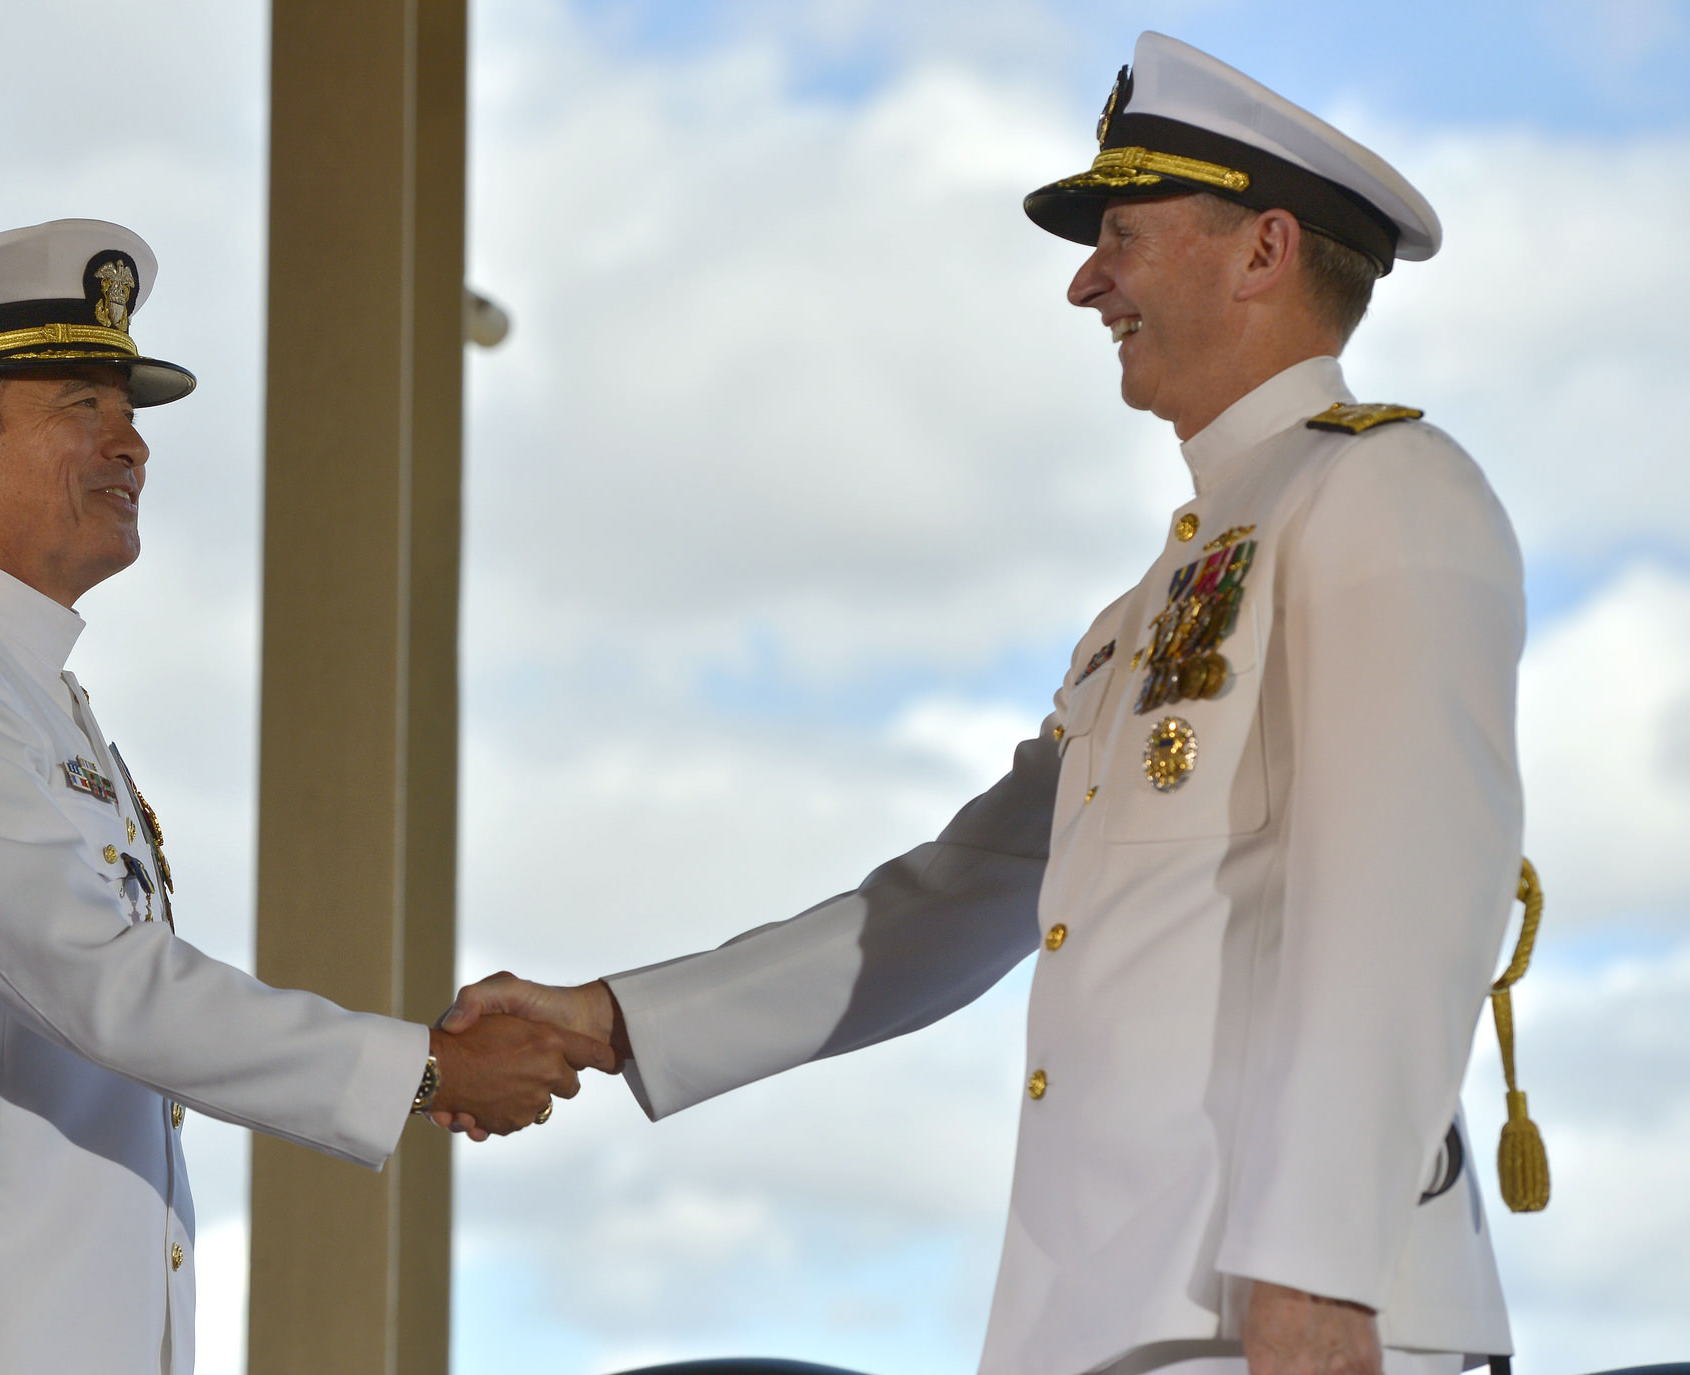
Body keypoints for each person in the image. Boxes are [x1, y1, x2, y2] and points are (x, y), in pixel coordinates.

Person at [437, 33, 1525, 1375]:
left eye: (1122, 233)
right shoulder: (1148, 610)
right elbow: (953, 897)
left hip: (1285, 1322)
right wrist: (615, 1017)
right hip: (1120, 1320)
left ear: (1264, 252)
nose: (1086, 281)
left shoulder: (1388, 492)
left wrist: (1318, 1275)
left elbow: (1408, 894)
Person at [0, 219, 614, 1375]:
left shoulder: (23, 696)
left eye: (131, 415)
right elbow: (105, 984)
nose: (132, 448)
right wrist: (422, 1065)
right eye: (82, 409)